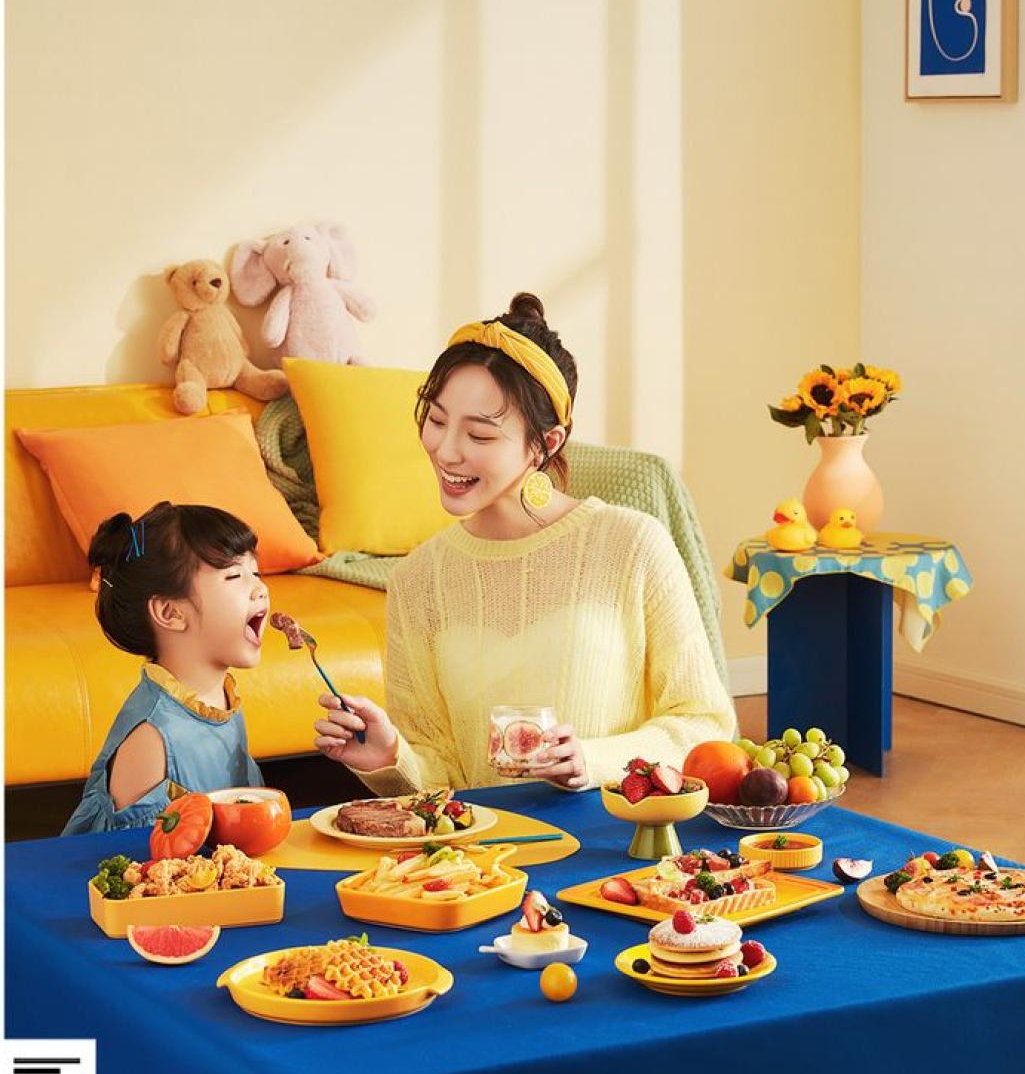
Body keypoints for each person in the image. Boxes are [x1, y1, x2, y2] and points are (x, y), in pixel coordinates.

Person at [314, 293, 737, 792]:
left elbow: (705, 723)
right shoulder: (418, 579)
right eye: (436, 419)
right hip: (486, 861)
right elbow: (440, 776)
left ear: (547, 443)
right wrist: (390, 757)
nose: (445, 450)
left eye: (480, 435)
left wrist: (593, 762)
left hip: (615, 848)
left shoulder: (632, 544)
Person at [63, 502, 267, 833]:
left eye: (255, 572)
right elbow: (136, 861)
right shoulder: (152, 737)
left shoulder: (223, 700)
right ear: (170, 613)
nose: (260, 588)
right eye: (234, 575)